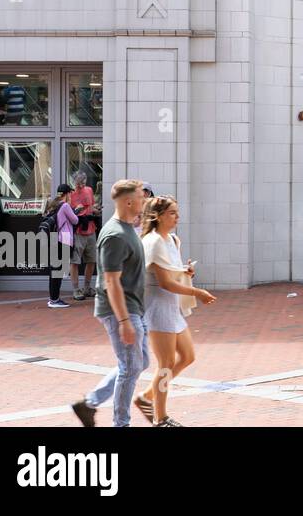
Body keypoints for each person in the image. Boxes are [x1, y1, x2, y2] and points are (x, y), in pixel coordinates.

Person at [71, 180, 150, 427]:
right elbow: (111, 282)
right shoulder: (115, 235)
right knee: (129, 367)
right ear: (128, 201)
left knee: (140, 362)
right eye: (141, 197)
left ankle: (90, 403)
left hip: (132, 308)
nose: (145, 201)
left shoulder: (128, 228)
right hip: (120, 311)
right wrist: (125, 321)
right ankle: (120, 423)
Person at [134, 195, 217, 426]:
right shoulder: (153, 242)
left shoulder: (172, 239)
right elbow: (164, 283)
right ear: (157, 217)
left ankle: (146, 398)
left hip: (172, 307)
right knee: (166, 364)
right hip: (158, 309)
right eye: (172, 213)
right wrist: (197, 292)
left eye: (177, 212)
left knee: (187, 356)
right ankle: (160, 418)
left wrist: (185, 271)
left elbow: (171, 273)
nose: (177, 216)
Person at [45, 188, 80, 308]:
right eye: (71, 193)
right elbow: (75, 221)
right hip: (63, 240)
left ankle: (53, 298)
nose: (72, 195)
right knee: (57, 271)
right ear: (67, 194)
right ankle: (54, 300)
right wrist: (76, 211)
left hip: (55, 240)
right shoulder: (65, 206)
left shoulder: (54, 205)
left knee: (54, 271)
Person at [69, 172, 99, 300]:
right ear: (73, 182)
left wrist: (96, 210)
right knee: (75, 261)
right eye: (78, 183)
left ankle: (87, 287)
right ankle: (76, 289)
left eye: (83, 183)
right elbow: (68, 213)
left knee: (92, 260)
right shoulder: (70, 195)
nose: (81, 186)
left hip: (91, 229)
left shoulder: (89, 190)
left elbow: (92, 207)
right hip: (78, 232)